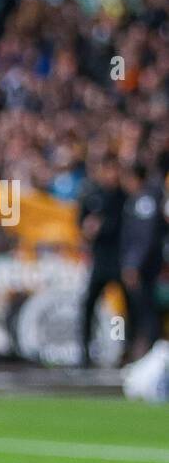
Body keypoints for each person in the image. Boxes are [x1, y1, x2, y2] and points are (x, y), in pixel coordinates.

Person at [78, 156, 126, 366]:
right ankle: (85, 350)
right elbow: (81, 220)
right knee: (88, 305)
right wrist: (86, 228)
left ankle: (123, 346)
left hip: (119, 261)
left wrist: (101, 227)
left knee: (122, 308)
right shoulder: (93, 195)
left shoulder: (123, 196)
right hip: (99, 260)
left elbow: (121, 226)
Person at [119, 161, 166, 359]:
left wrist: (133, 265)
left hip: (145, 268)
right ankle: (143, 352)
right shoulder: (142, 199)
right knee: (142, 310)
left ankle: (150, 354)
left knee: (145, 311)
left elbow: (144, 237)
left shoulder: (145, 201)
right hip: (145, 265)